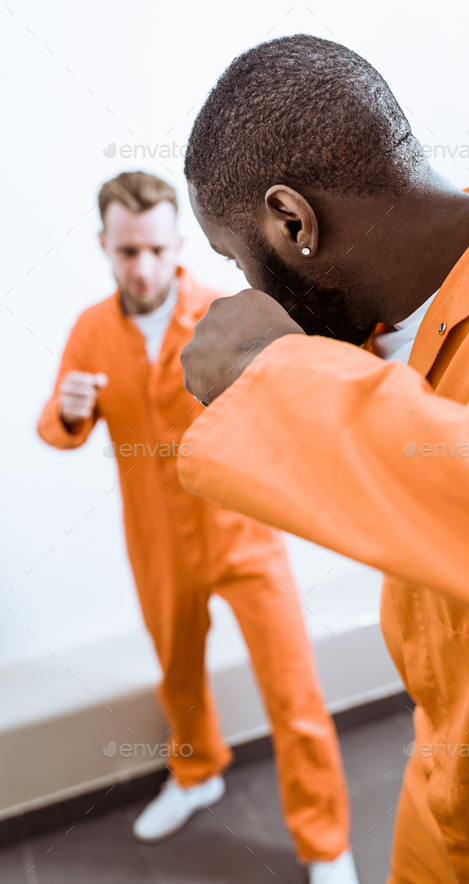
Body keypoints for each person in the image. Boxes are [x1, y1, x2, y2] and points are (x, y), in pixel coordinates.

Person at [177, 34, 469, 884]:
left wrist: (274, 373)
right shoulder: (380, 331)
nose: (239, 290)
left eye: (235, 256)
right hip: (447, 794)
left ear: (293, 221)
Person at [38, 171, 360, 884]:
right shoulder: (90, 331)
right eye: (127, 252)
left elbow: (287, 406)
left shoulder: (221, 312)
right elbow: (57, 433)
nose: (143, 266)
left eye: (155, 248)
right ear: (104, 246)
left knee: (295, 693)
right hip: (156, 542)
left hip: (242, 533)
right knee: (179, 677)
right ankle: (196, 774)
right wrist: (66, 408)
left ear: (177, 241)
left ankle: (326, 840)